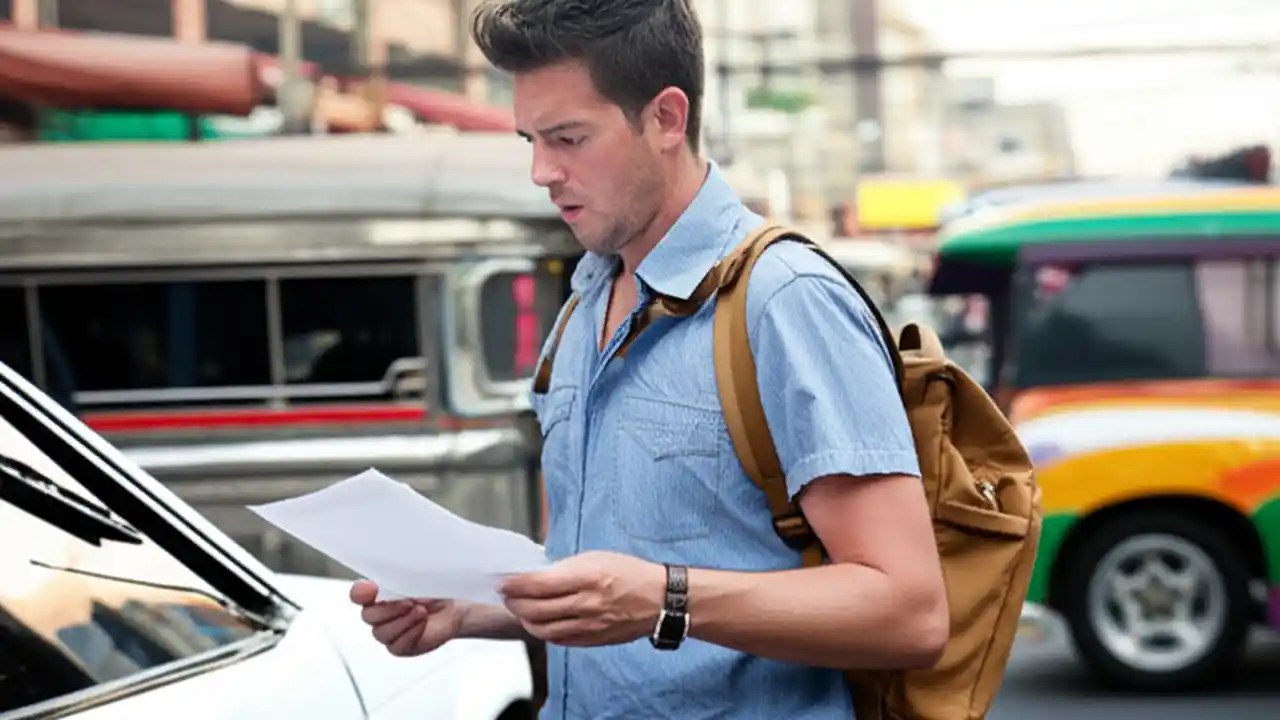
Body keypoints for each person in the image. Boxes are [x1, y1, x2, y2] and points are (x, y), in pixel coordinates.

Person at [351, 1, 947, 717]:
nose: (542, 171)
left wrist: (664, 596)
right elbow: (603, 584)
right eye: (530, 141)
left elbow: (909, 610)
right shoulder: (584, 301)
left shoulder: (785, 300)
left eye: (569, 139)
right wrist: (472, 608)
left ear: (666, 118)